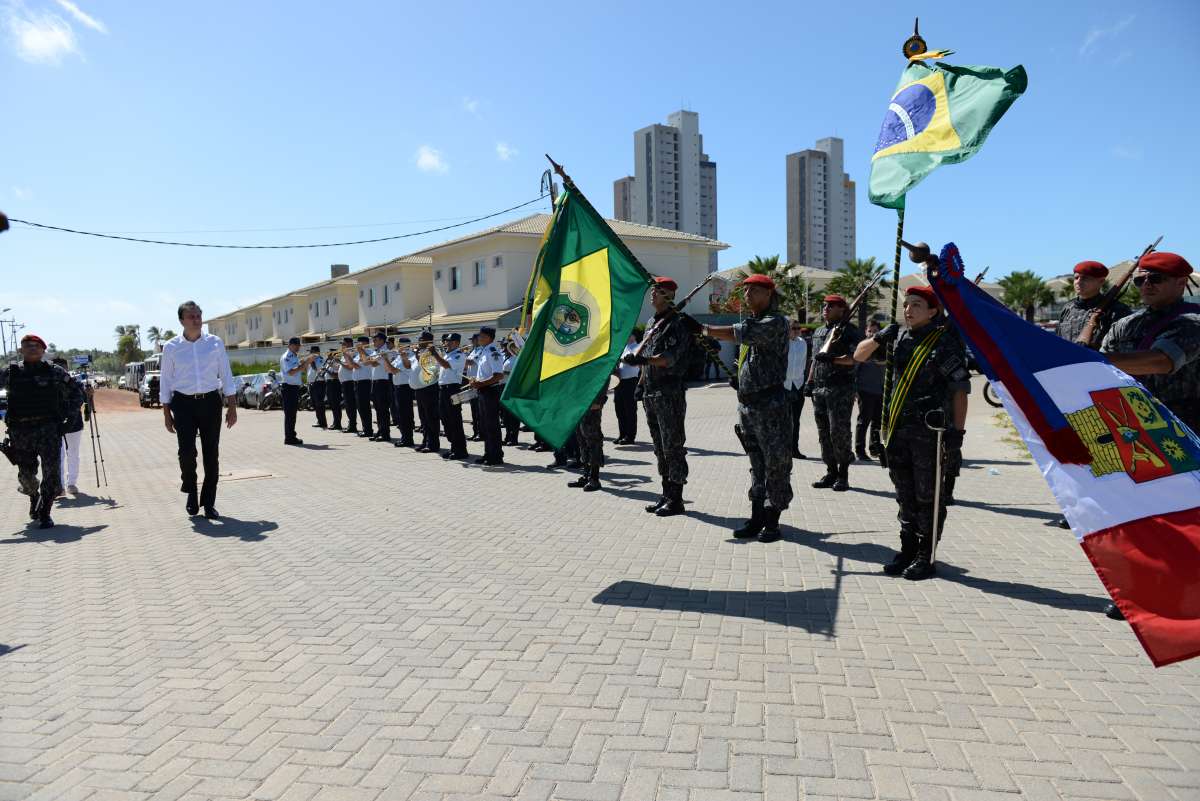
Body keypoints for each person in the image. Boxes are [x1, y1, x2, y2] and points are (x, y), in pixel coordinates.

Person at [1100, 251, 1199, 620]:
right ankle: (1136, 592)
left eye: (1155, 279)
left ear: (1179, 283)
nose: (1146, 285)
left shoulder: (1191, 322)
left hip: (1184, 432)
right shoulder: (1128, 324)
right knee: (1134, 516)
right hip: (1132, 431)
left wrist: (1095, 362)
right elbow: (1099, 367)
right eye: (1141, 279)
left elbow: (1161, 360)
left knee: (1178, 519)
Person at [854, 287, 970, 580]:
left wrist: (958, 433)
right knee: (904, 494)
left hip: (930, 434)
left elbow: (960, 391)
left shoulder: (943, 341)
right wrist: (880, 336)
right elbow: (859, 355)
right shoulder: (898, 338)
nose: (908, 310)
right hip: (897, 431)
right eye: (906, 305)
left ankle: (925, 555)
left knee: (928, 497)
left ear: (932, 311)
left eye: (916, 305)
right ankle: (906, 548)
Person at [704, 274, 792, 542]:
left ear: (768, 294)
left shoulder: (775, 322)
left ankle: (772, 521)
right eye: (745, 291)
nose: (747, 295)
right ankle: (756, 517)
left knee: (775, 464)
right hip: (749, 405)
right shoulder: (752, 320)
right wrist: (739, 377)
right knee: (756, 464)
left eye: (753, 291)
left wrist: (704, 329)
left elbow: (738, 335)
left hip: (770, 405)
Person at [159, 301, 238, 519]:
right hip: (182, 404)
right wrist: (166, 413)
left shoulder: (215, 343)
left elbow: (226, 374)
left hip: (210, 402)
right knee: (186, 453)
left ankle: (209, 502)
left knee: (211, 454)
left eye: (198, 315)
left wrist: (232, 406)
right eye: (191, 316)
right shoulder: (171, 347)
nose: (196, 319)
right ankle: (191, 491)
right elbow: (165, 381)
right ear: (182, 320)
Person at [623, 276, 691, 516]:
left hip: (669, 392)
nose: (653, 294)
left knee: (673, 446)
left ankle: (677, 498)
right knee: (659, 447)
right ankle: (665, 493)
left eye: (658, 291)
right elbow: (648, 359)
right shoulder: (653, 321)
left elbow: (668, 357)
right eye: (653, 290)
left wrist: (644, 360)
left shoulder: (677, 323)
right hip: (652, 392)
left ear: (670, 295)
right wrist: (641, 384)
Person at [1, 335, 84, 527]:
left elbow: (77, 392)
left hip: (48, 430)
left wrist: (70, 419)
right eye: (27, 346)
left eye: (36, 346)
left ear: (42, 351)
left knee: (52, 475)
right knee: (26, 476)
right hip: (20, 432)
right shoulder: (10, 373)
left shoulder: (54, 371)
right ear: (21, 350)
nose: (32, 349)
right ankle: (34, 496)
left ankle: (45, 512)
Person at [809, 294, 862, 492]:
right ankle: (830, 471)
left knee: (838, 432)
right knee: (823, 433)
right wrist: (810, 381)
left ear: (842, 309)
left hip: (840, 388)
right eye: (825, 305)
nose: (826, 308)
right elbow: (815, 359)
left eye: (831, 305)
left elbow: (856, 358)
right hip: (820, 388)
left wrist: (833, 360)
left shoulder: (850, 331)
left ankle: (843, 474)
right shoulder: (821, 331)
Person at [1059, 260, 1132, 347]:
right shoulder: (1068, 307)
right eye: (1076, 278)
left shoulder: (1117, 310)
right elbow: (1058, 338)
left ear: (1101, 281)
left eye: (1085, 278)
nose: (1078, 281)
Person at [468, 326, 507, 465]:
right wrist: (476, 381)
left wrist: (481, 383)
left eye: (482, 336)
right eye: (479, 336)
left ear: (489, 337)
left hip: (490, 391)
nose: (479, 338)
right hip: (483, 390)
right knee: (484, 425)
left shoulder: (492, 351)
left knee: (492, 425)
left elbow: (499, 375)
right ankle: (488, 453)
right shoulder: (483, 351)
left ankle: (496, 456)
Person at [52, 356, 89, 495]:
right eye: (57, 368)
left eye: (63, 368)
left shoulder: (74, 383)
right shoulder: (47, 384)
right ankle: (59, 486)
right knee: (57, 455)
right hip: (54, 424)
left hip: (74, 423)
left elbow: (84, 399)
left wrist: (89, 394)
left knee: (73, 453)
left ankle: (71, 483)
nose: (60, 371)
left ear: (66, 369)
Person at [433, 333, 469, 459]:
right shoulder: (448, 354)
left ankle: (461, 450)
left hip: (452, 389)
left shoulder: (459, 355)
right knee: (445, 418)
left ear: (456, 343)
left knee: (455, 420)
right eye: (446, 341)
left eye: (449, 341)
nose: (446, 343)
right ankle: (454, 446)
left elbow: (447, 365)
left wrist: (435, 354)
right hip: (443, 389)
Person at [568, 383, 608, 491]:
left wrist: (599, 401)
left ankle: (594, 479)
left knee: (594, 443)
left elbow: (605, 380)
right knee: (582, 443)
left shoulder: (600, 366)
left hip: (592, 407)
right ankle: (586, 475)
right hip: (580, 406)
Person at [855, 320, 885, 461]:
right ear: (866, 332)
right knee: (864, 421)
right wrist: (855, 390)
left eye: (875, 331)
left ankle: (875, 448)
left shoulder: (884, 348)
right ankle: (860, 450)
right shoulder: (862, 348)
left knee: (877, 422)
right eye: (869, 331)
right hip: (865, 390)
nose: (872, 333)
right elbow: (855, 370)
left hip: (880, 391)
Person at [412, 332, 441, 453]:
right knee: (423, 418)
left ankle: (433, 444)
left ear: (428, 340)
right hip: (420, 389)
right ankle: (425, 441)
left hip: (429, 388)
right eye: (419, 339)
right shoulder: (421, 352)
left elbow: (429, 368)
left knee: (431, 418)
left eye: (421, 339)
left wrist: (417, 356)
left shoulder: (433, 352)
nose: (419, 341)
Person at [384, 337, 416, 447]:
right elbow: (389, 370)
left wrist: (386, 360)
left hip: (405, 387)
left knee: (405, 414)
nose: (397, 346)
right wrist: (386, 360)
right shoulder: (398, 356)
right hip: (398, 387)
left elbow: (394, 370)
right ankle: (404, 437)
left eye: (399, 344)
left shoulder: (409, 355)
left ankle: (408, 439)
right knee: (400, 414)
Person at [784, 321, 808, 459]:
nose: (797, 331)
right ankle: (783, 448)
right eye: (794, 328)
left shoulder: (802, 343)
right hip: (784, 385)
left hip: (797, 384)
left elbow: (803, 362)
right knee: (782, 419)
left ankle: (794, 449)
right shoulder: (782, 342)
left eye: (799, 328)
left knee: (796, 420)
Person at [613, 331, 641, 445]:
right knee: (619, 409)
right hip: (619, 382)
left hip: (631, 381)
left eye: (630, 333)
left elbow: (633, 361)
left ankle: (630, 436)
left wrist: (620, 359)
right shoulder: (623, 347)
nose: (627, 335)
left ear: (634, 336)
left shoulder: (637, 347)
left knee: (630, 409)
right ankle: (622, 434)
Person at [278, 337, 306, 445]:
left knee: (292, 414)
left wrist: (306, 362)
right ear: (290, 345)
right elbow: (290, 372)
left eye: (299, 345)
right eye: (296, 345)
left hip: (293, 388)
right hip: (288, 387)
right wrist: (304, 363)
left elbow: (301, 369)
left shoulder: (294, 356)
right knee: (290, 414)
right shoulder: (287, 357)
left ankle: (291, 435)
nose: (298, 347)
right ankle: (289, 438)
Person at [366, 332, 393, 442]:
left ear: (382, 340)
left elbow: (374, 363)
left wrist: (368, 358)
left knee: (383, 409)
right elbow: (366, 362)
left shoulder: (386, 350)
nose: (373, 342)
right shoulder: (375, 351)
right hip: (376, 382)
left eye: (375, 339)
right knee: (378, 408)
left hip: (383, 382)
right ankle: (380, 430)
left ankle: (385, 433)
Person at [351, 336, 375, 438]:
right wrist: (347, 356)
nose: (357, 344)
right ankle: (365, 428)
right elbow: (354, 366)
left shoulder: (369, 352)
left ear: (365, 343)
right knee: (360, 407)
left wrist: (361, 351)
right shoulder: (357, 354)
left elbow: (368, 361)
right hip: (357, 382)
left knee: (365, 407)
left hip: (365, 382)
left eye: (359, 342)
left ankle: (368, 429)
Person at [499, 339, 521, 446]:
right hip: (503, 386)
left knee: (513, 414)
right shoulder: (505, 357)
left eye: (506, 347)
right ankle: (508, 436)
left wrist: (505, 372)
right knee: (505, 415)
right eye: (504, 347)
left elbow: (518, 372)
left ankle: (514, 438)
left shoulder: (516, 358)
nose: (504, 349)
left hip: (511, 387)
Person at [337, 337, 359, 434]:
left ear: (350, 344)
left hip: (350, 381)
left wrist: (340, 362)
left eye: (344, 343)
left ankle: (353, 425)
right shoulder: (345, 353)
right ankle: (351, 423)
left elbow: (350, 367)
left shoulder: (352, 353)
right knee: (347, 405)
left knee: (350, 405)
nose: (342, 345)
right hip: (344, 382)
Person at [306, 346, 328, 430]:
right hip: (312, 383)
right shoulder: (310, 361)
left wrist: (311, 362)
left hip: (319, 383)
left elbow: (318, 370)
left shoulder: (320, 359)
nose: (309, 354)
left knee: (319, 404)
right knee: (315, 403)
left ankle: (323, 422)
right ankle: (319, 420)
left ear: (316, 352)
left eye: (311, 352)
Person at [324, 346, 344, 431]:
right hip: (329, 384)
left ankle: (337, 423)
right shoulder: (330, 362)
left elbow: (336, 376)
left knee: (336, 405)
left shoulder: (336, 363)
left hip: (334, 384)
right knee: (332, 404)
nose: (328, 355)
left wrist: (327, 370)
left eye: (330, 354)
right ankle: (335, 422)